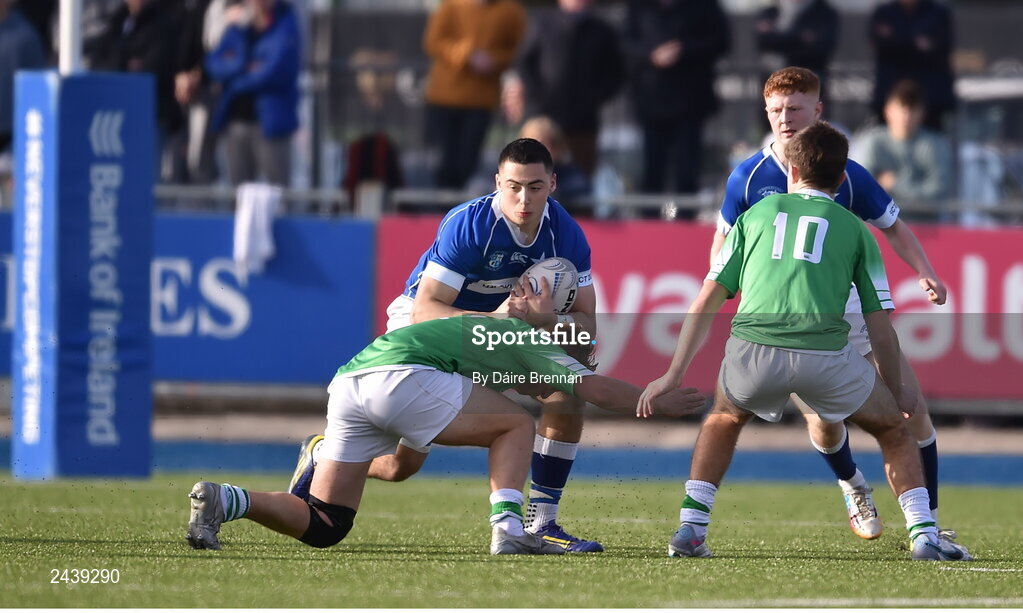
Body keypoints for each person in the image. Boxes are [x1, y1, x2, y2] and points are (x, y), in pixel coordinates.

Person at [639, 122, 971, 562]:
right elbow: (879, 326)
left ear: (792, 172)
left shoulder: (755, 215)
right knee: (894, 429)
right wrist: (898, 389)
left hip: (754, 353)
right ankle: (924, 534)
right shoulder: (856, 230)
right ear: (842, 178)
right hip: (825, 357)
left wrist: (672, 374)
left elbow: (707, 299)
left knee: (722, 419)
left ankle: (692, 528)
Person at [289, 138, 604, 553]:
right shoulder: (471, 225)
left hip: (494, 332)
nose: (524, 199)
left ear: (553, 184)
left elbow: (586, 326)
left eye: (535, 187)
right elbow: (426, 310)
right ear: (497, 182)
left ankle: (543, 522)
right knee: (403, 466)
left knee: (565, 387)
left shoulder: (566, 234)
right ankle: (325, 452)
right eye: (513, 187)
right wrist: (495, 321)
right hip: (426, 328)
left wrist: (550, 323)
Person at [186, 315, 706, 555]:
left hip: (352, 382)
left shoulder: (490, 341)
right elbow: (593, 389)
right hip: (403, 378)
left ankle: (225, 499)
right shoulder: (521, 334)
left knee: (327, 524)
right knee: (517, 424)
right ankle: (508, 526)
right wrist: (656, 397)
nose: (579, 348)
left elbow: (402, 464)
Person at [711, 67, 957, 545]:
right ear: (766, 113)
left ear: (817, 111)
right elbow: (721, 242)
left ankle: (929, 522)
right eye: (777, 110)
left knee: (913, 411)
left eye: (795, 108)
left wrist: (924, 270)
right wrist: (726, 281)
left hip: (851, 313)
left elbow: (893, 226)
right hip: (792, 320)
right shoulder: (748, 177)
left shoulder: (845, 173)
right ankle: (853, 485)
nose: (785, 118)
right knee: (824, 424)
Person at [622, 0, 730, 200]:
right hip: (650, 101)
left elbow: (720, 41)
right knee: (652, 169)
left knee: (687, 170)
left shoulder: (703, 5)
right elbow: (625, 43)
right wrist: (651, 55)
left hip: (690, 101)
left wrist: (684, 49)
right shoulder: (640, 6)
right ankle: (650, 216)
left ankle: (685, 217)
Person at [422, 0, 526, 190]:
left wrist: (494, 60)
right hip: (444, 98)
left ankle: (458, 201)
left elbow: (520, 50)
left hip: (480, 101)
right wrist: (467, 55)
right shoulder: (451, 6)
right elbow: (433, 42)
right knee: (442, 160)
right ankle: (441, 203)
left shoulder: (511, 12)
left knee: (468, 160)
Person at [514, 0, 625, 179]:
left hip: (582, 120)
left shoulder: (601, 30)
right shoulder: (543, 24)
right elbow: (523, 62)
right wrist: (537, 93)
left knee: (581, 177)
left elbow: (616, 73)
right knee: (534, 172)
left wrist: (594, 98)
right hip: (543, 117)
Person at [205, 0, 301, 187]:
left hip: (271, 123)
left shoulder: (285, 23)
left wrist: (233, 81)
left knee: (276, 191)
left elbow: (275, 70)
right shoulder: (239, 27)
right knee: (238, 192)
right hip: (235, 120)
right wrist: (243, 64)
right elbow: (214, 63)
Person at [852, 79, 953, 220]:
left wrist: (896, 184)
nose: (906, 116)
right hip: (877, 225)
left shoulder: (935, 145)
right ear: (887, 110)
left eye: (912, 109)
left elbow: (938, 192)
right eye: (901, 107)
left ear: (922, 113)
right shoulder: (871, 142)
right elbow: (859, 187)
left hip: (925, 226)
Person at [869, 0, 955, 131]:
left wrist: (897, 37)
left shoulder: (938, 13)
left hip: (932, 100)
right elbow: (879, 43)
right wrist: (916, 42)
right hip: (889, 90)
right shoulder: (883, 13)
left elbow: (940, 48)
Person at [754, 0, 838, 100]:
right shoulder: (771, 11)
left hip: (806, 84)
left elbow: (819, 50)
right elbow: (762, 42)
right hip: (771, 80)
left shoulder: (824, 13)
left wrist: (778, 39)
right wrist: (798, 38)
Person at [519, 116, 591, 214]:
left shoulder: (570, 173)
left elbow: (580, 191)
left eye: (553, 143)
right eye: (541, 144)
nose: (548, 149)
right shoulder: (510, 173)